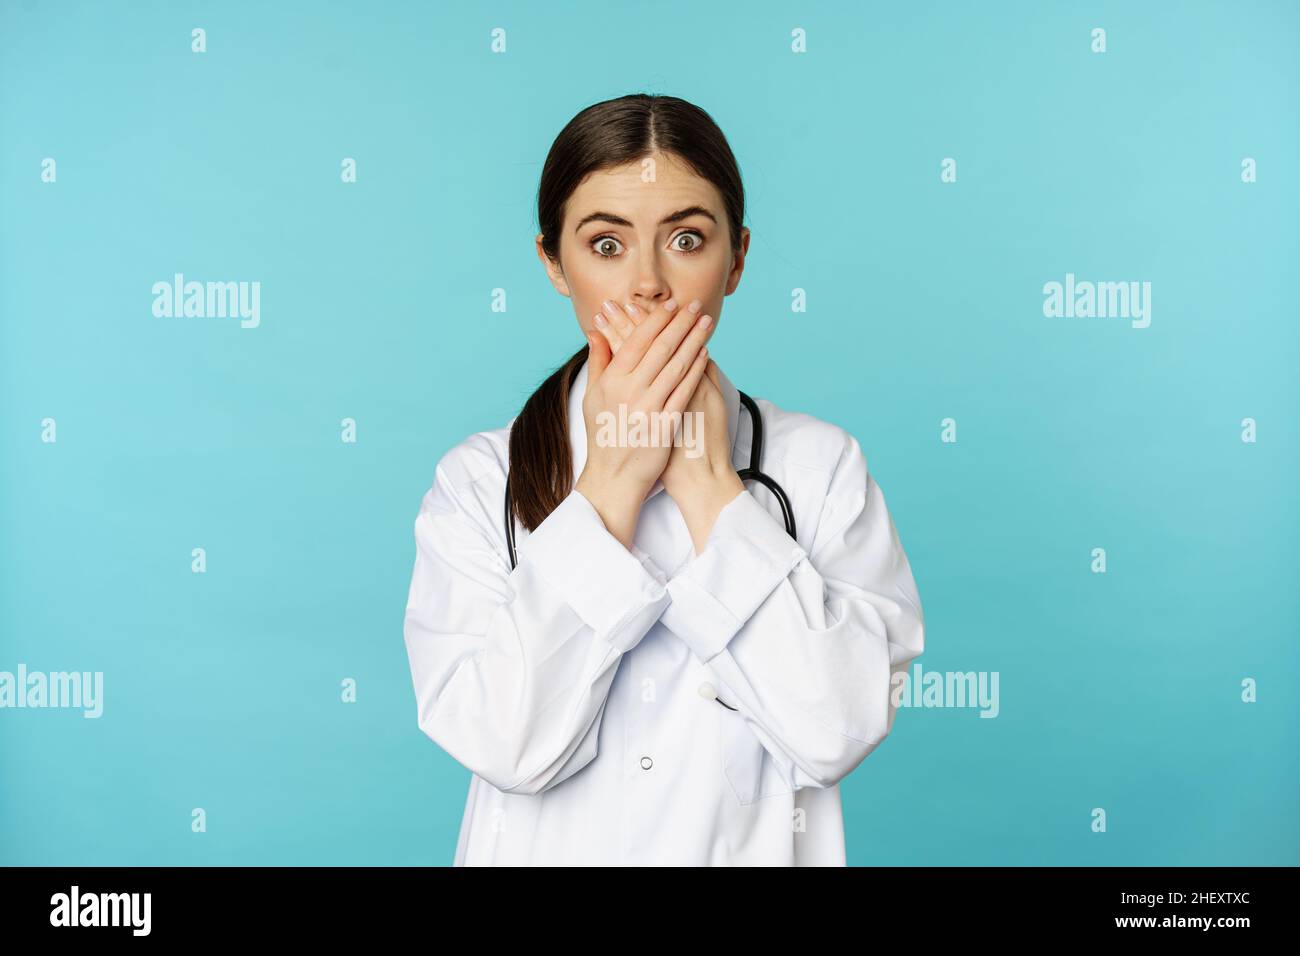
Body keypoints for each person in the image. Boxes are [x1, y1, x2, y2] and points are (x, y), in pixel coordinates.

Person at [402, 93, 925, 866]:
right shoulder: (480, 481)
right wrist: (613, 480)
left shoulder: (819, 468)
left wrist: (712, 485)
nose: (647, 284)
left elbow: (838, 730)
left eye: (686, 238)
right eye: (606, 245)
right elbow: (503, 745)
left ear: (737, 259)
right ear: (553, 264)